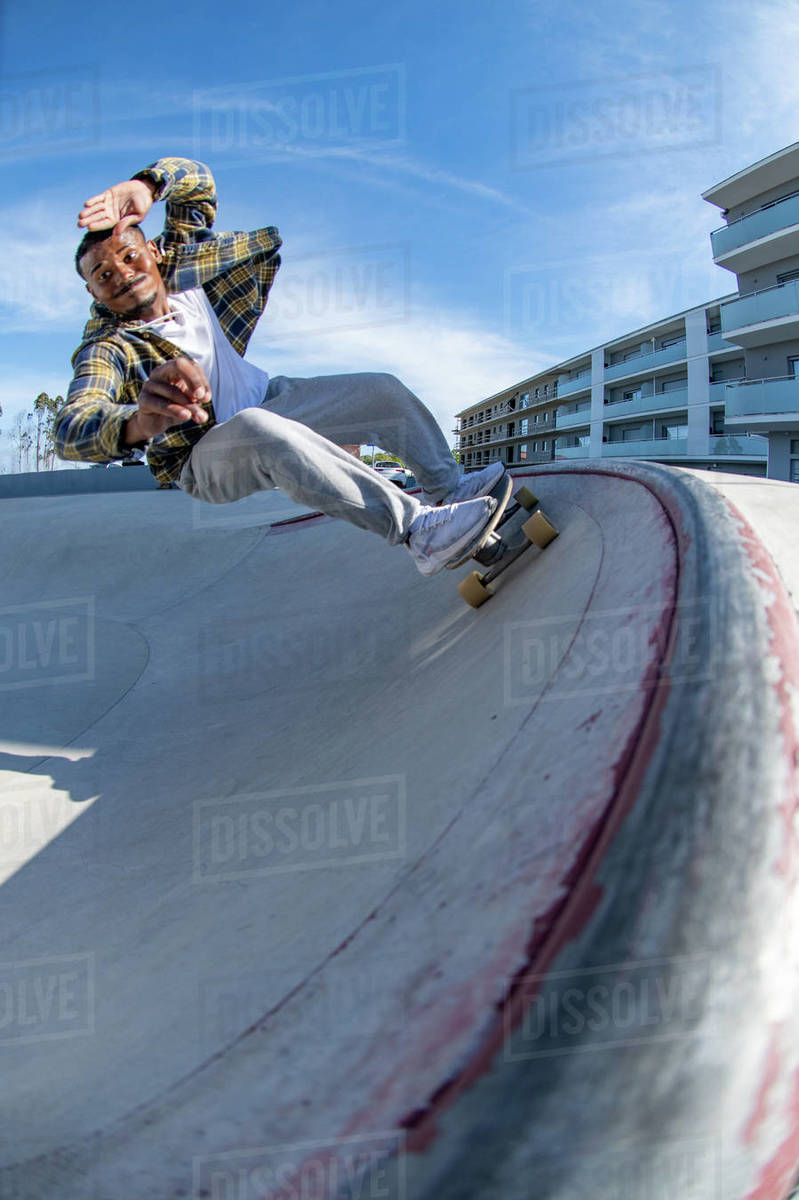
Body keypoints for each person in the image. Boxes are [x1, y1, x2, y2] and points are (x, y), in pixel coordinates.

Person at [56, 158, 505, 576]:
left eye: (128, 257)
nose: (121, 274)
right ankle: (421, 533)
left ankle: (448, 489)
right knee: (256, 427)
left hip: (271, 400)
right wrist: (137, 422)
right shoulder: (107, 346)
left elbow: (199, 188)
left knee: (381, 392)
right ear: (94, 294)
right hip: (202, 455)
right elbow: (72, 427)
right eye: (103, 275)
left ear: (152, 252)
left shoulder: (186, 264)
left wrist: (148, 184)